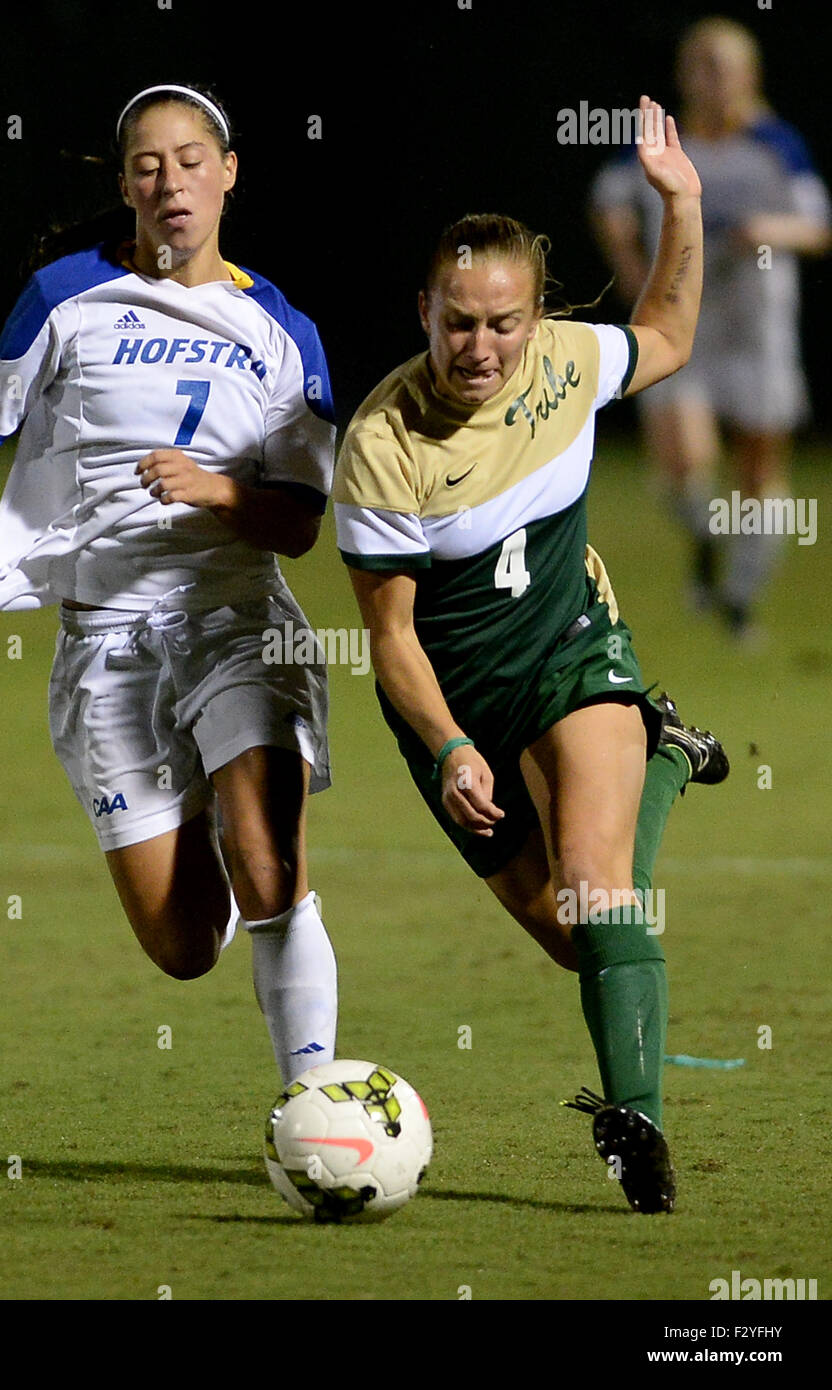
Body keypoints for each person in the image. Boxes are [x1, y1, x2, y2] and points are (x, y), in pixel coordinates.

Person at [0, 83, 339, 1086]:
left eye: (192, 160)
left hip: (234, 620)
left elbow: (302, 523)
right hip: (105, 641)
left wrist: (221, 492)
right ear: (127, 187)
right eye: (150, 165)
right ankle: (224, 841)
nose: (172, 181)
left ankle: (316, 1100)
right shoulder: (63, 297)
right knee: (184, 945)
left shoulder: (285, 331)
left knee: (274, 868)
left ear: (229, 173)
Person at [333, 96, 727, 1214]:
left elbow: (673, 333)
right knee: (573, 940)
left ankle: (637, 1129)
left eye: (504, 321)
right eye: (460, 322)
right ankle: (663, 757)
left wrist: (683, 203)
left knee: (603, 901)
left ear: (537, 313)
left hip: (571, 657)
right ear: (425, 310)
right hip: (452, 709)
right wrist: (453, 745)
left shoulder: (566, 363)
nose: (483, 347)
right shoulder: (382, 445)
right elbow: (392, 639)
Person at [591, 18, 831, 640]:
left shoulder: (777, 144)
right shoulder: (663, 139)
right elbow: (611, 202)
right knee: (685, 457)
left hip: (757, 329)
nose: (713, 81)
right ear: (684, 75)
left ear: (750, 76)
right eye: (701, 67)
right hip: (683, 323)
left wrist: (767, 230)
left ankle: (739, 599)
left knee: (756, 469)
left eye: (724, 68)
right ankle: (705, 543)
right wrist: (631, 266)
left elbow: (816, 227)